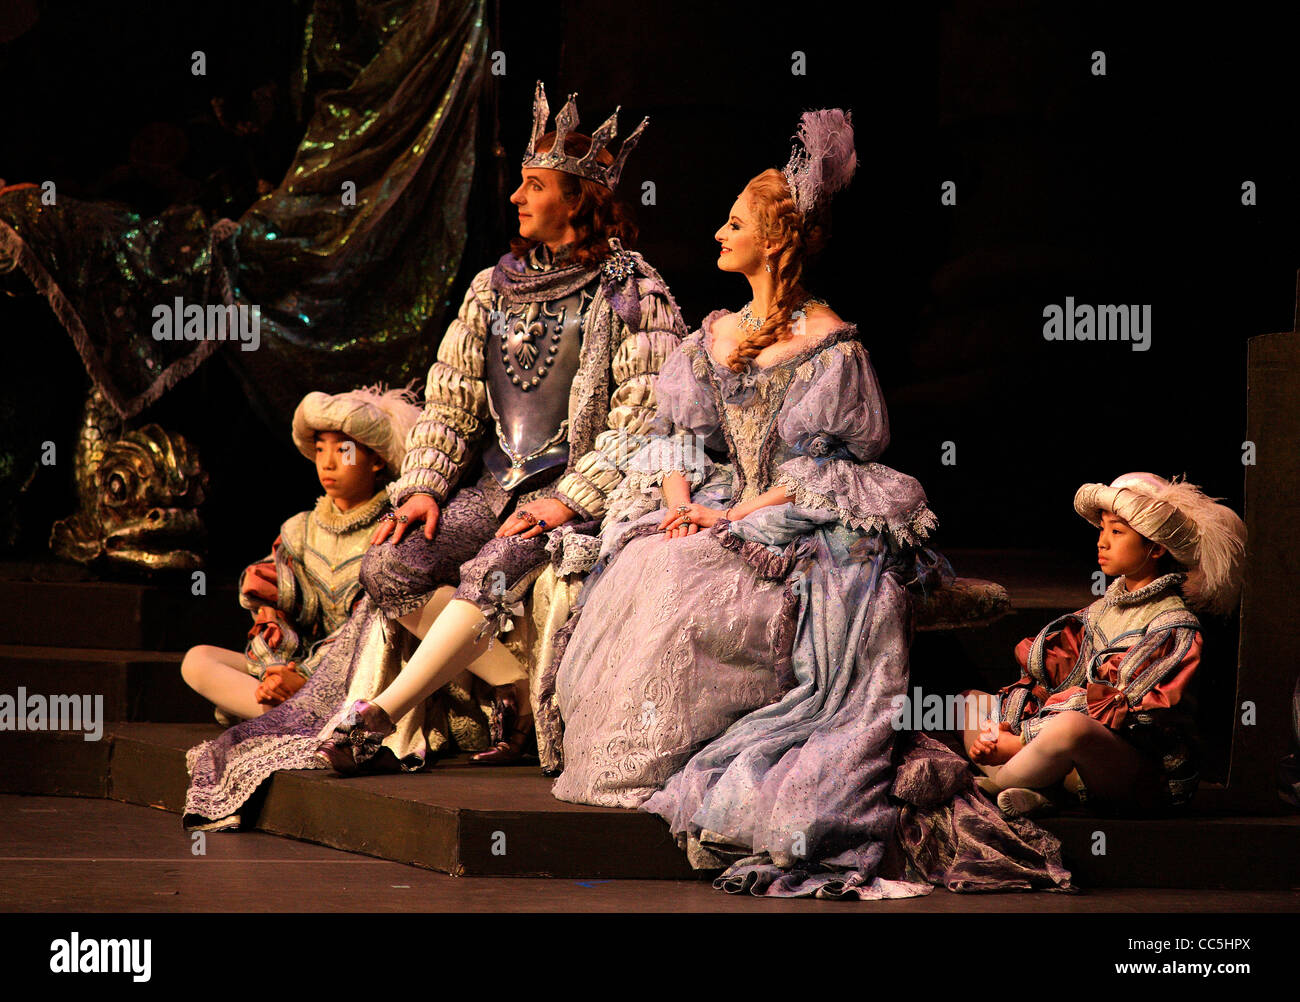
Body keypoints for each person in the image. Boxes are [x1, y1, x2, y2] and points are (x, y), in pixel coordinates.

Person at [539, 110, 950, 899]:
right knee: (649, 561)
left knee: (685, 583)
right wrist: (679, 504)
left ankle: (695, 765)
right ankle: (620, 754)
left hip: (783, 514)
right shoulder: (712, 336)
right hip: (719, 502)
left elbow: (819, 472)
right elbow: (672, 439)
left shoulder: (832, 344)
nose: (717, 233)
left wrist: (724, 519)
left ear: (774, 240)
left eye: (734, 223)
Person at [310, 81, 686, 772]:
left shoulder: (631, 290)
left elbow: (647, 414)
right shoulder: (492, 286)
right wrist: (423, 485)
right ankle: (508, 683)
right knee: (390, 563)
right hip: (493, 485)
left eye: (534, 185)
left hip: (568, 493)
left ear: (577, 200)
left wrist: (571, 500)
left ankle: (376, 719)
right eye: (519, 184)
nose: (515, 198)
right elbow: (451, 401)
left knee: (488, 574)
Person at [962, 472, 1246, 817]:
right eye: (1102, 529)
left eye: (1117, 532)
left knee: (1071, 728)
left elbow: (1126, 709)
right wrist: (1008, 726)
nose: (1102, 542)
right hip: (1073, 756)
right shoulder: (1101, 611)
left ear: (1155, 547)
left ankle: (1001, 781)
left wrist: (1021, 741)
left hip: (1142, 774)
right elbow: (1053, 683)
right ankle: (1039, 788)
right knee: (971, 703)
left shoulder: (1173, 625)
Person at [180, 385, 419, 722]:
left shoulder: (391, 527)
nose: (329, 463)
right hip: (298, 669)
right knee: (198, 659)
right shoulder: (300, 530)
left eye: (343, 451)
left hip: (363, 673)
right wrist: (276, 671)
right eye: (321, 450)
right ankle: (289, 710)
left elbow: (369, 627)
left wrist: (307, 676)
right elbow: (273, 609)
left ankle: (293, 715)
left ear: (377, 459)